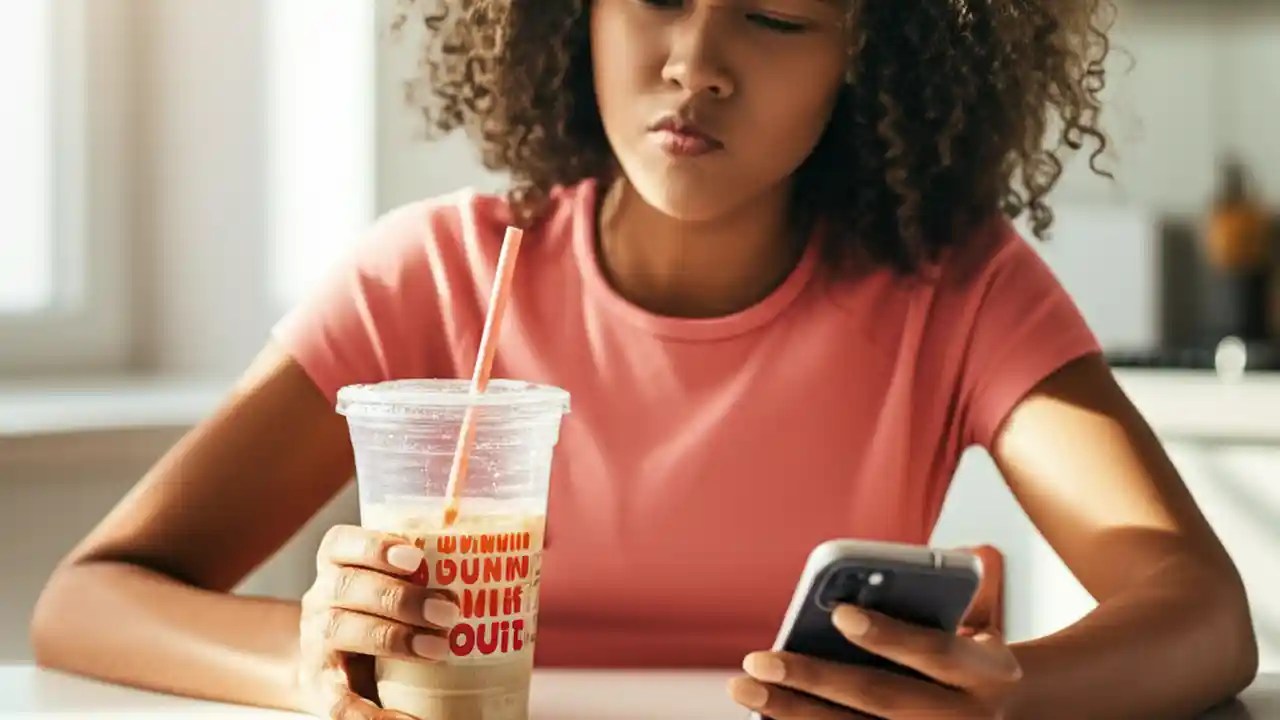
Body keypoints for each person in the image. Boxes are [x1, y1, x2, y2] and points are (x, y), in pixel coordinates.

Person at [32, 1, 1258, 718]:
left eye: (775, 12)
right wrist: (307, 660)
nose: (696, 62)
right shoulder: (433, 278)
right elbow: (86, 599)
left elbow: (1201, 614)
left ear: (867, 57)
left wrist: (1004, 694)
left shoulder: (954, 287)